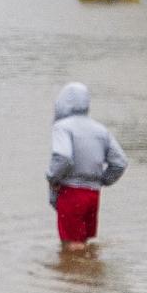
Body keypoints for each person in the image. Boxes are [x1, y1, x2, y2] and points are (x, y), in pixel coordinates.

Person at [46, 82, 129, 250]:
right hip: (93, 195)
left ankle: (73, 269)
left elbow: (63, 157)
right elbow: (120, 162)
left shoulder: (62, 127)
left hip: (71, 192)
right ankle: (89, 267)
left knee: (72, 246)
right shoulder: (100, 129)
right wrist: (102, 180)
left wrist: (52, 177)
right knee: (83, 243)